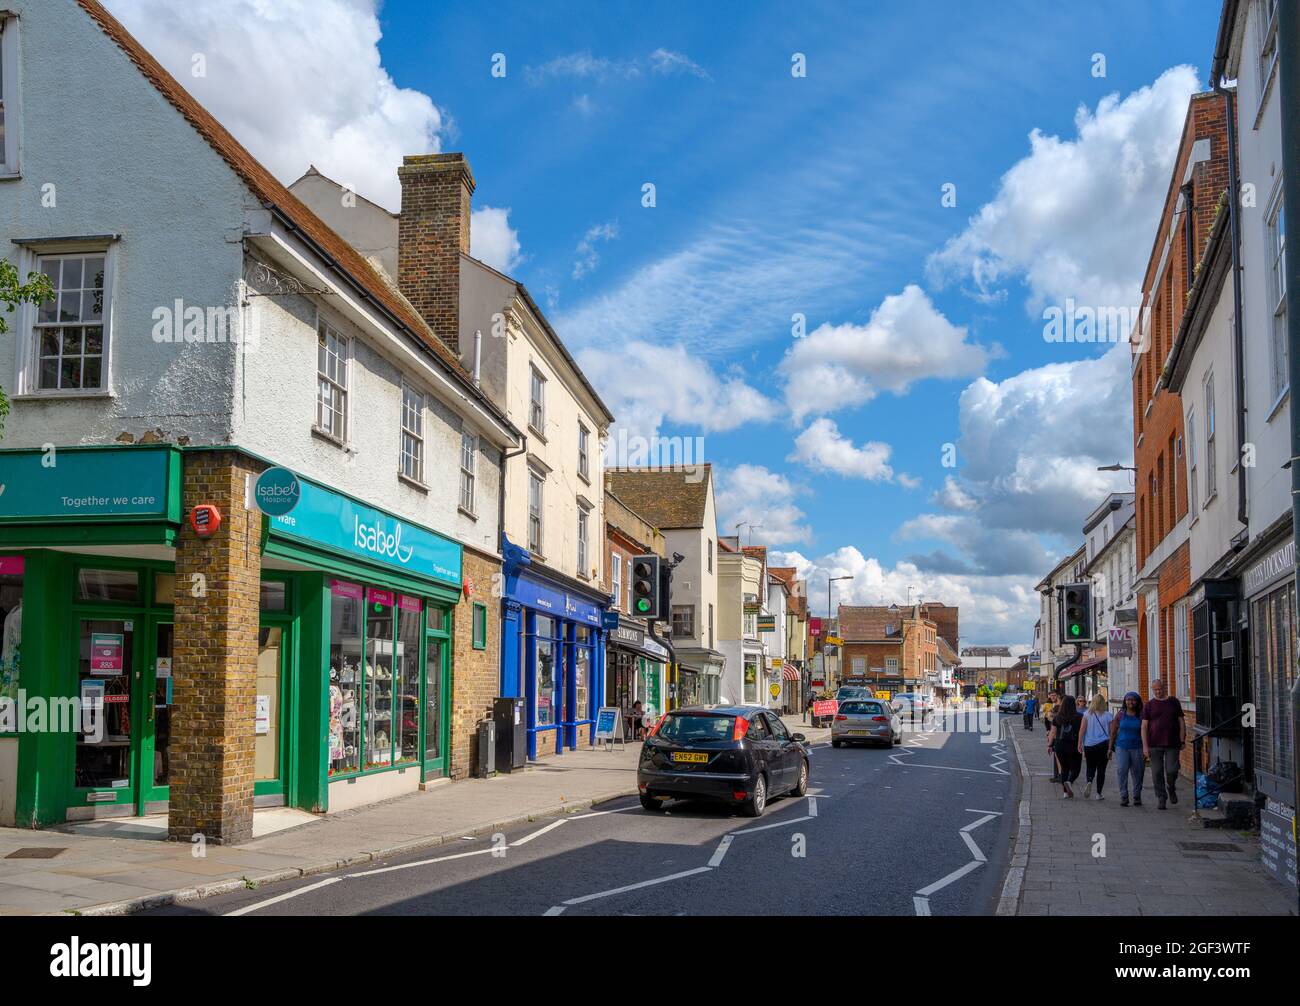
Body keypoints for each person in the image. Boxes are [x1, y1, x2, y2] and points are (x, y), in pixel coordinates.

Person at [1141, 678, 1185, 810]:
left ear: (1164, 688)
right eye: (1155, 690)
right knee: (1156, 772)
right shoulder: (1149, 705)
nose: (1158, 692)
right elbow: (1144, 726)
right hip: (1154, 743)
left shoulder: (1173, 702)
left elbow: (1181, 722)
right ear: (1152, 690)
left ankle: (1171, 787)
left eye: (1159, 689)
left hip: (1172, 742)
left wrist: (1182, 739)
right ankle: (1161, 797)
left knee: (1172, 770)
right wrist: (1145, 746)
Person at [1110, 691, 1145, 807]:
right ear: (1125, 701)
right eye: (1128, 699)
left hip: (1137, 747)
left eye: (1133, 699)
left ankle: (1137, 796)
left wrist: (1146, 747)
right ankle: (1124, 796)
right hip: (1122, 747)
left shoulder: (1141, 715)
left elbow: (1146, 732)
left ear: (1137, 701)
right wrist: (1110, 748)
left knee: (1138, 773)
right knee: (1122, 770)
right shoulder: (1120, 715)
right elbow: (1113, 732)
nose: (1131, 702)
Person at [1079, 693, 1114, 800]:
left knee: (1090, 766)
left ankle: (1089, 780)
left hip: (1089, 745)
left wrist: (1079, 743)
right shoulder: (1108, 715)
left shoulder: (1086, 714)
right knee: (1101, 769)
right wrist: (1110, 747)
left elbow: (1082, 730)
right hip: (1103, 744)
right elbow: (1112, 733)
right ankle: (1098, 793)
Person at [1047, 694, 1082, 797]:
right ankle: (1069, 782)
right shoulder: (1080, 717)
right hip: (1074, 745)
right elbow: (1082, 732)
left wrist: (1049, 745)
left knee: (1064, 769)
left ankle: (1065, 793)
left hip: (1060, 745)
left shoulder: (1057, 717)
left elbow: (1052, 733)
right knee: (1076, 769)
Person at [1041, 692, 1059, 781]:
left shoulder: (1059, 705)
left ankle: (1059, 776)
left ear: (1057, 696)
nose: (1052, 697)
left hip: (1058, 733)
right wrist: (1048, 730)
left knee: (1057, 754)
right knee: (1054, 753)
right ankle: (1056, 775)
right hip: (1051, 731)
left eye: (1054, 695)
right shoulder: (1048, 705)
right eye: (1051, 695)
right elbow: (1046, 719)